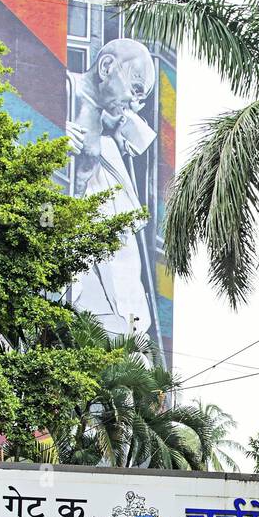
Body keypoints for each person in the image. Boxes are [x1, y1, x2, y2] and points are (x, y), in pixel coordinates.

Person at [66, 38, 158, 338]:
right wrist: (52, 133)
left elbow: (141, 140)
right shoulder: (61, 91)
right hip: (60, 222)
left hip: (106, 220)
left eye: (141, 98)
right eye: (134, 89)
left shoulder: (115, 119)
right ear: (107, 66)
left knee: (124, 289)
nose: (135, 103)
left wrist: (119, 119)